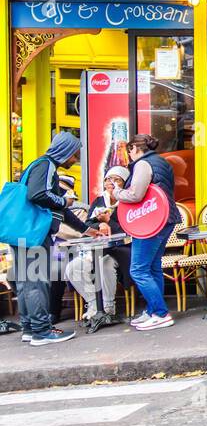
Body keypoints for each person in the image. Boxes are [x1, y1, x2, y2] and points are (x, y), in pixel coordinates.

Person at [15, 131, 84, 345]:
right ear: (65, 152)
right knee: (36, 282)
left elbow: (57, 208)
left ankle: (30, 328)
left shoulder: (39, 165)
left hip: (23, 231)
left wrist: (85, 229)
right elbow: (37, 195)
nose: (75, 159)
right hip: (34, 232)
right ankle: (42, 331)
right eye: (74, 154)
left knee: (26, 282)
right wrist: (65, 201)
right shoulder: (46, 166)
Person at [116, 133, 184, 330]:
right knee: (153, 267)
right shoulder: (162, 162)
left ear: (135, 149)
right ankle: (152, 310)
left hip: (150, 222)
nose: (129, 156)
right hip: (166, 217)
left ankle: (161, 313)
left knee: (138, 269)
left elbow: (136, 194)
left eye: (130, 151)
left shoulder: (143, 164)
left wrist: (117, 193)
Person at [65, 166, 135, 326]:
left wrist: (109, 221)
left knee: (105, 265)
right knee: (73, 268)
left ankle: (108, 307)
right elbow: (87, 225)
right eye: (108, 179)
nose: (111, 183)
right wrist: (99, 226)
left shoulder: (128, 202)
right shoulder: (98, 201)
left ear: (124, 184)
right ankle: (95, 305)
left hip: (121, 249)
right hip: (96, 249)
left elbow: (128, 230)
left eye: (116, 179)